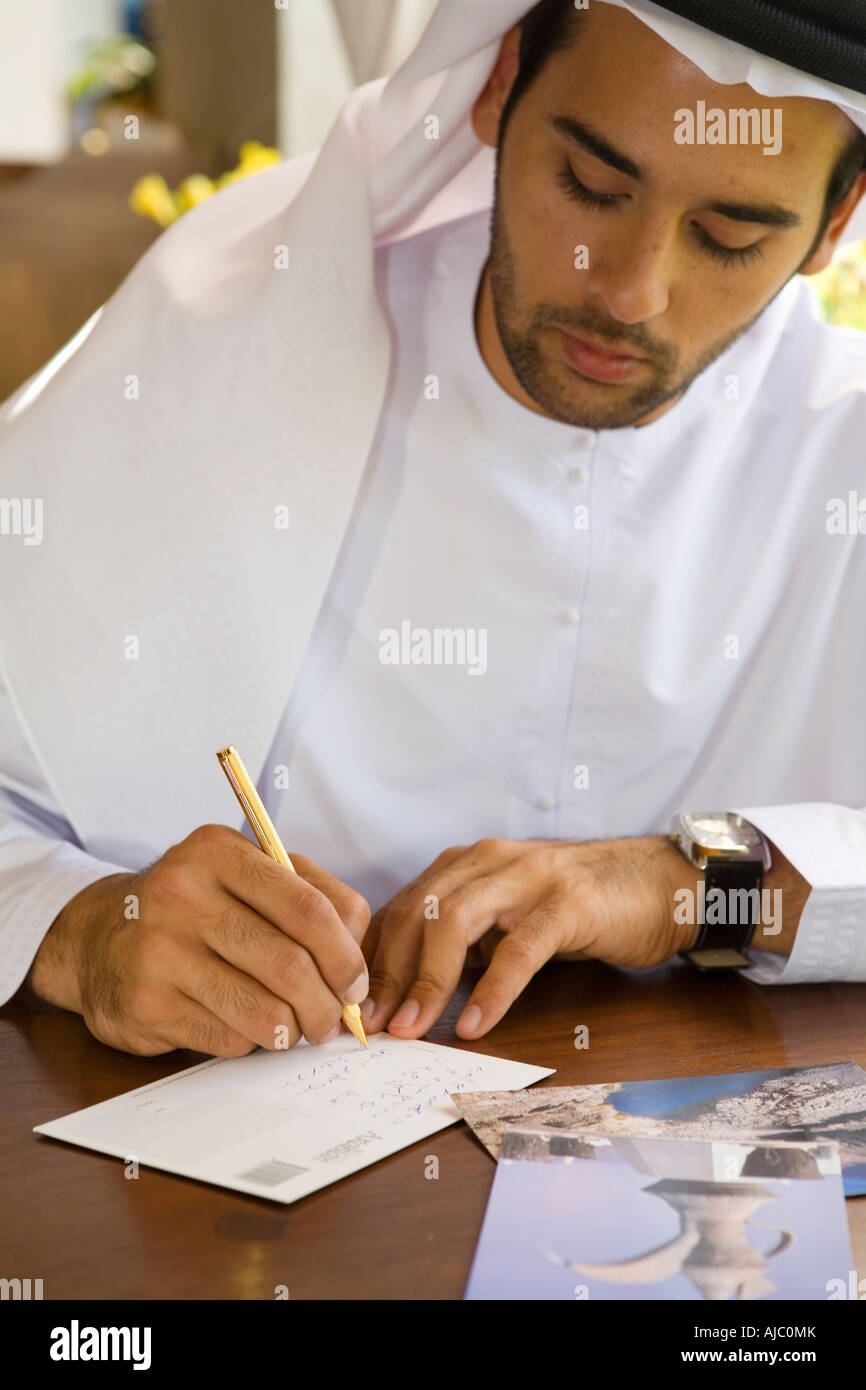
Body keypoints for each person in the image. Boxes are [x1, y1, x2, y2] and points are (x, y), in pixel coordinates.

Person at [1, 0, 865, 1058]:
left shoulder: (841, 451)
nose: (632, 292)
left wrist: (693, 882)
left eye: (728, 236)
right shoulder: (226, 340)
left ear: (832, 225)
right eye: (590, 186)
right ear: (498, 86)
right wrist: (81, 923)